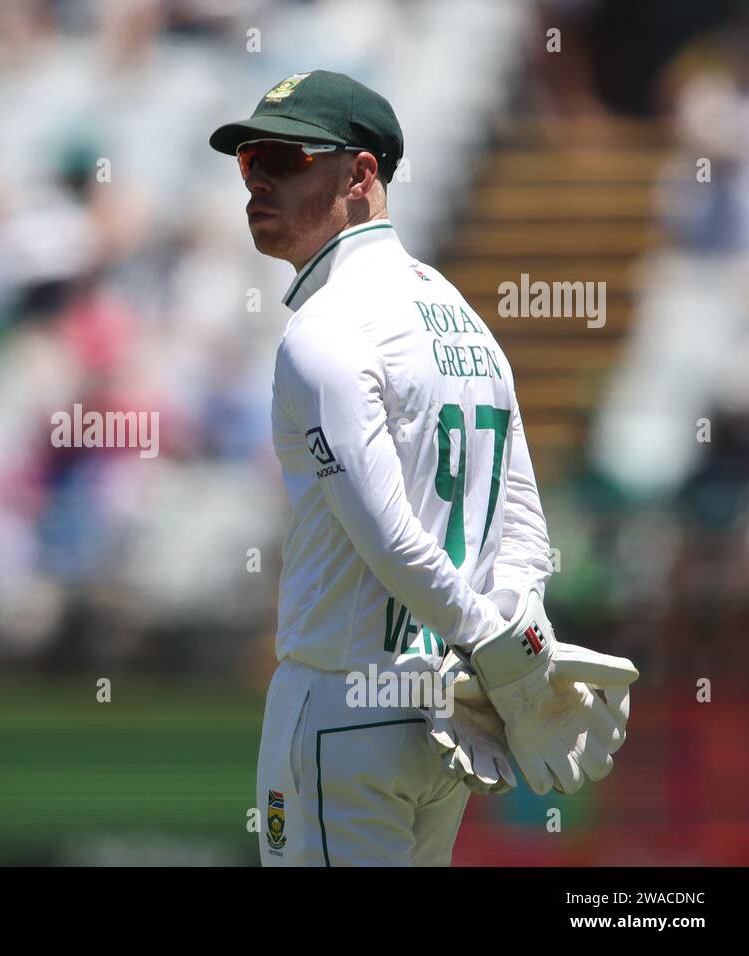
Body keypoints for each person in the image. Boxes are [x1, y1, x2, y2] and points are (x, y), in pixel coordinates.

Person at [210, 70, 633, 866]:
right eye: (247, 162)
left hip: (343, 702)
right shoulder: (462, 318)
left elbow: (388, 538)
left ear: (361, 175)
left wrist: (500, 655)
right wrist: (514, 646)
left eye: (285, 157)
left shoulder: (325, 331)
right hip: (444, 714)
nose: (258, 178)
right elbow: (525, 533)